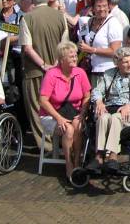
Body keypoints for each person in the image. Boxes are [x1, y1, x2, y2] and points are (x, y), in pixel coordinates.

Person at [19, 0, 70, 149]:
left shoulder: (27, 18)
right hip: (57, 71)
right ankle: (58, 142)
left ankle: (46, 147)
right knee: (54, 107)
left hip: (35, 72)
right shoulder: (59, 16)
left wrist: (43, 65)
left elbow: (27, 47)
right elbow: (64, 45)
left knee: (37, 109)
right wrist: (54, 64)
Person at [88, 46, 130, 173]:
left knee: (117, 117)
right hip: (111, 108)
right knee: (103, 117)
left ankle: (112, 156)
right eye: (126, 62)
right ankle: (99, 156)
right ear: (118, 63)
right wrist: (99, 102)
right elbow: (97, 90)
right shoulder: (109, 74)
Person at [38, 41, 91, 177]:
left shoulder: (80, 73)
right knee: (69, 130)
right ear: (62, 60)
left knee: (77, 126)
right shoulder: (51, 74)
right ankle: (69, 164)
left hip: (74, 112)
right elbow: (43, 101)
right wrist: (58, 118)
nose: (75, 59)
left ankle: (77, 161)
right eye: (71, 56)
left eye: (75, 56)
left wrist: (83, 112)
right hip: (52, 114)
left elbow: (87, 96)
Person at [77, 0, 124, 83]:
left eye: (104, 6)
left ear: (109, 7)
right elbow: (83, 41)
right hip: (91, 70)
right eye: (98, 6)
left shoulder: (113, 23)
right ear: (92, 8)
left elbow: (116, 52)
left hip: (108, 72)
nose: (102, 9)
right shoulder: (87, 22)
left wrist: (92, 50)